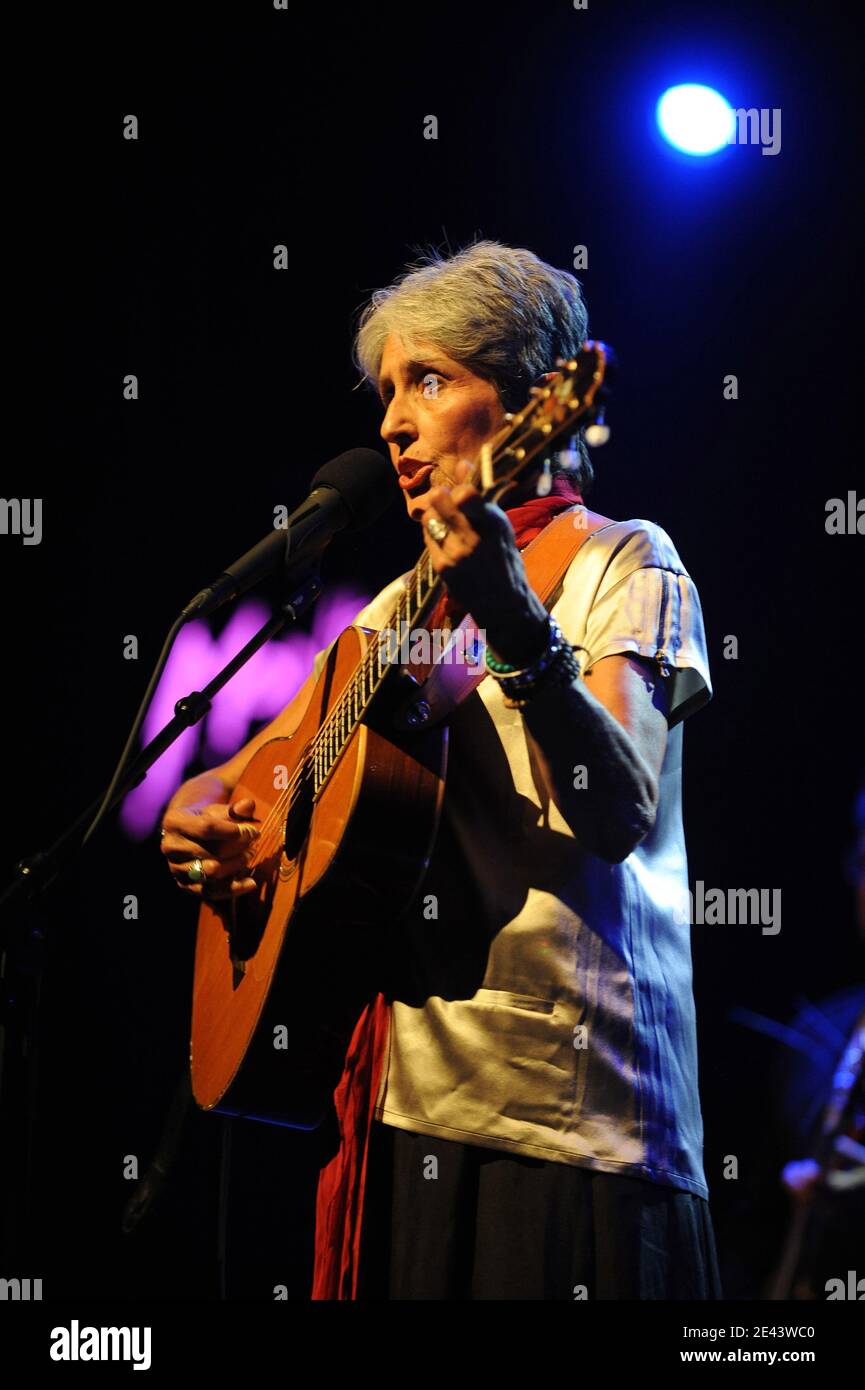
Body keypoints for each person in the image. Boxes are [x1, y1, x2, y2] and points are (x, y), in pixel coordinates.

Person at [160, 240, 722, 1300]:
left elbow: (618, 810)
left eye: (429, 378)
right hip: (400, 1113)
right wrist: (202, 811)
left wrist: (514, 617)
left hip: (567, 1114)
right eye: (385, 390)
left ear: (530, 405)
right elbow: (251, 778)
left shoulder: (623, 559)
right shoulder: (391, 616)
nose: (391, 423)